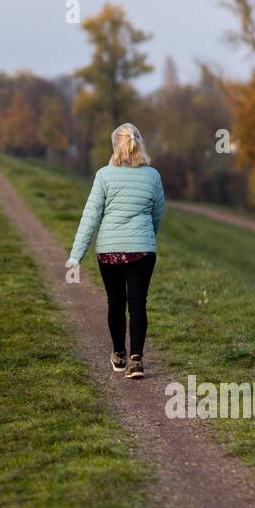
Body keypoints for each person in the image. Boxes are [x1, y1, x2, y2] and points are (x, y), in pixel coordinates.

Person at [66, 123, 165, 379]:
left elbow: (91, 217)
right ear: (140, 144)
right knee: (138, 303)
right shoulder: (153, 176)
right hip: (142, 252)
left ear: (115, 147)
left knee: (116, 302)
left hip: (109, 251)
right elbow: (158, 214)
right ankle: (137, 360)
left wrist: (76, 255)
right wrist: (147, 238)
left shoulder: (104, 176)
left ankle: (119, 355)